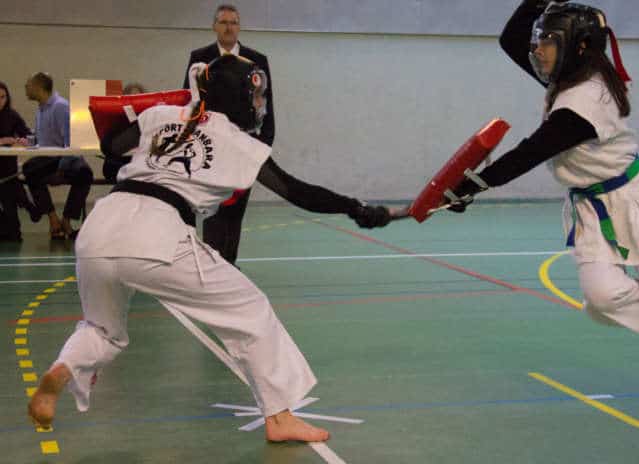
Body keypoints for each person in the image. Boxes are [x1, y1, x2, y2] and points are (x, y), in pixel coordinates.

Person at [27, 54, 391, 443]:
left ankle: (62, 370)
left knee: (102, 329)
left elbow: (112, 146)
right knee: (250, 310)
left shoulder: (165, 114)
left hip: (99, 229)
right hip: (157, 234)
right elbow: (297, 192)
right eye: (255, 96)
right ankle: (280, 417)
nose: (258, 105)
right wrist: (355, 207)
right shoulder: (239, 143)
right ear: (237, 96)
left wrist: (161, 112)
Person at [446, 0, 639, 424]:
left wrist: (471, 185)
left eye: (548, 42)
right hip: (590, 207)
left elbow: (532, 150)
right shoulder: (567, 77)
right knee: (603, 298)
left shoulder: (588, 99)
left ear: (579, 47)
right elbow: (511, 39)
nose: (538, 50)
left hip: (638, 202)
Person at [183, 4, 277, 265]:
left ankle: (230, 265)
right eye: (223, 22)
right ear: (214, 26)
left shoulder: (257, 60)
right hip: (211, 150)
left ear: (239, 27)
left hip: (244, 147)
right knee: (213, 211)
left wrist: (265, 142)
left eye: (233, 22)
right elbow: (188, 101)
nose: (228, 27)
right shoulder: (199, 58)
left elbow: (266, 105)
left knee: (236, 213)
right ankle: (213, 266)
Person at [23, 72, 93, 240]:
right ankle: (53, 219)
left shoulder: (60, 107)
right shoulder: (40, 108)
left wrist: (61, 169)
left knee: (85, 173)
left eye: (29, 84)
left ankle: (67, 220)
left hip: (64, 158)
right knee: (28, 169)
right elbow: (43, 139)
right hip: (49, 157)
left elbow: (70, 142)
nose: (26, 88)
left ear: (39, 87)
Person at [0, 81, 38, 241]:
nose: (0, 101)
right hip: (7, 175)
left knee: (14, 234)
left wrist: (24, 140)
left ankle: (26, 205)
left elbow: (30, 136)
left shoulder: (11, 115)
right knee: (10, 186)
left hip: (7, 168)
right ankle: (27, 204)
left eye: (3, 97)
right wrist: (3, 140)